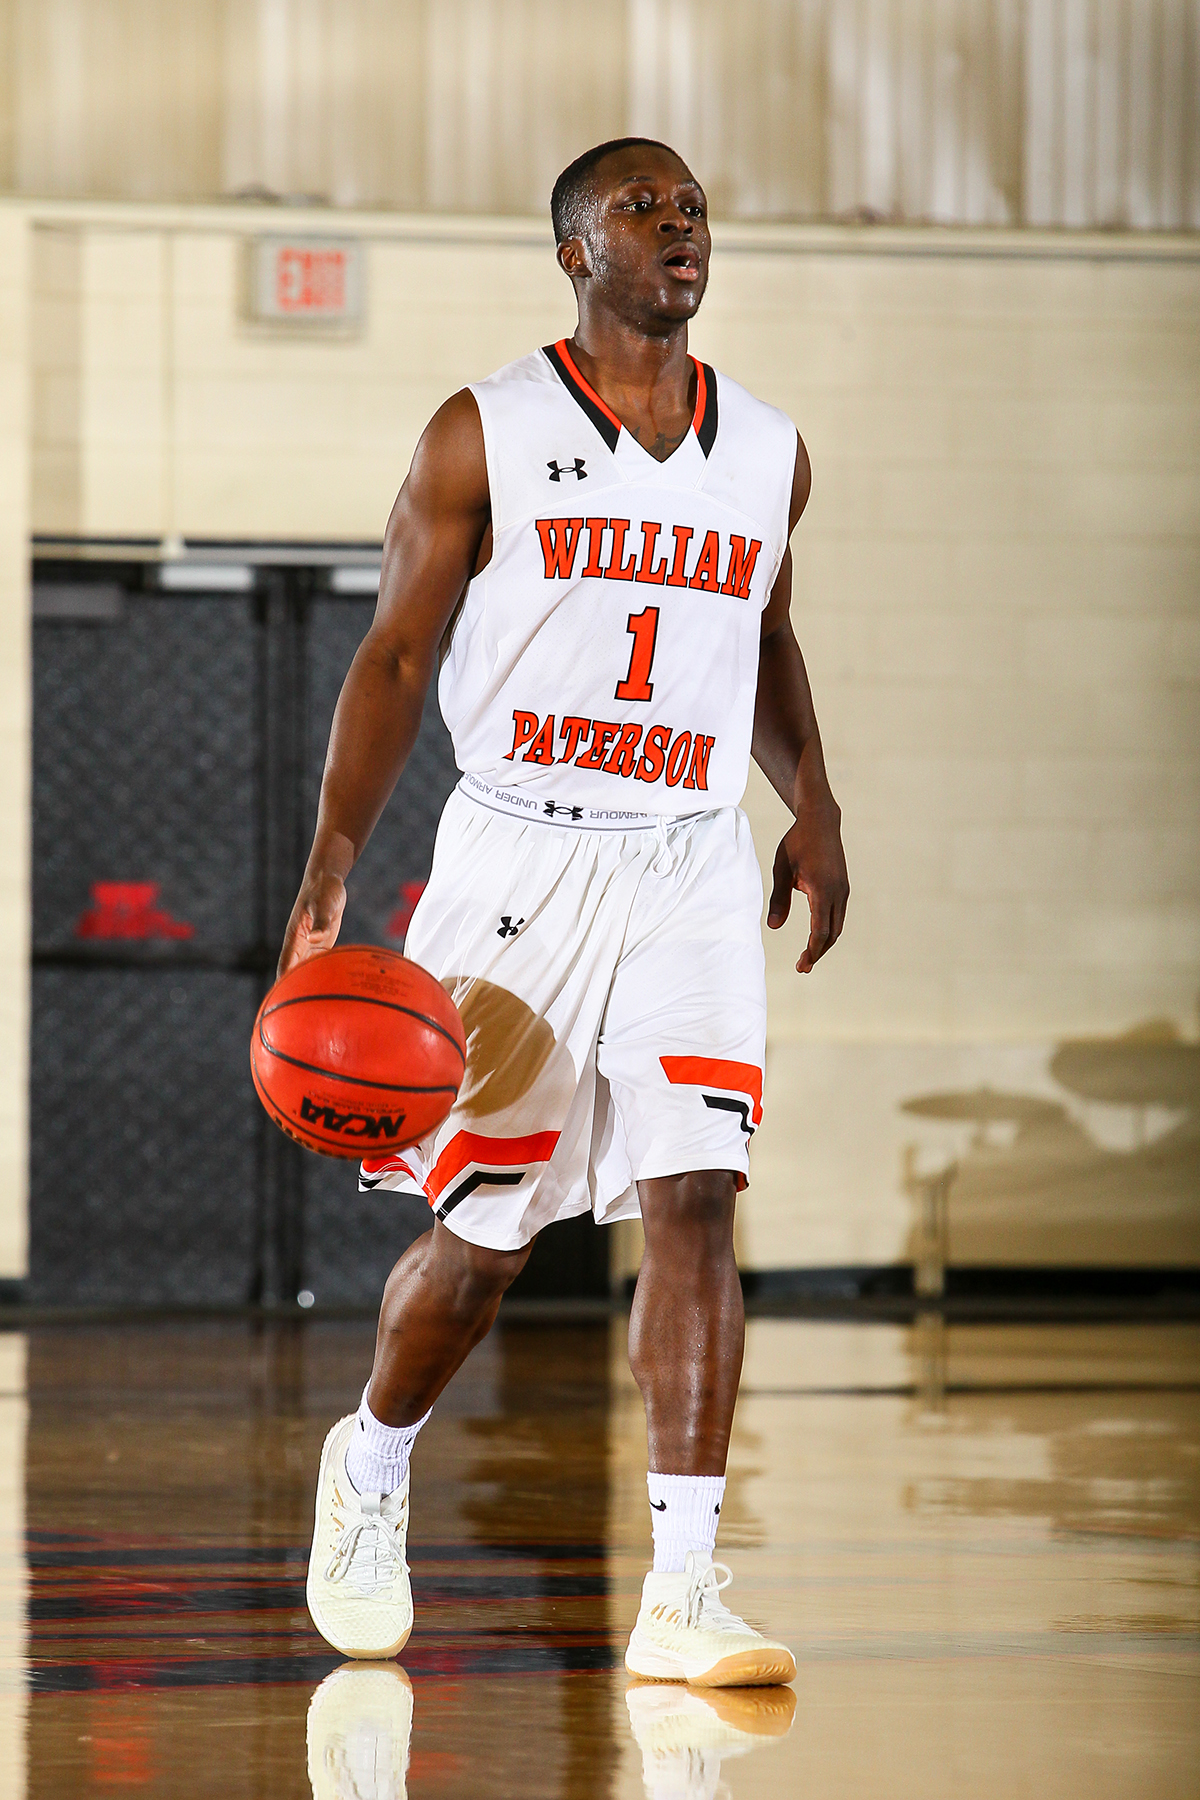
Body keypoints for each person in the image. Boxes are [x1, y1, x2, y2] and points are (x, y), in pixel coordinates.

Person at [281, 137, 849, 1687]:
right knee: (483, 1241)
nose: (680, 228)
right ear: (572, 253)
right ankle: (374, 1461)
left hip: (686, 858)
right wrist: (331, 867)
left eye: (694, 210)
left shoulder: (771, 450)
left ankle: (679, 1588)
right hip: (520, 860)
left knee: (696, 1195)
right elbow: (397, 658)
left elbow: (765, 640)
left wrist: (817, 805)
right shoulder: (488, 431)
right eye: (642, 210)